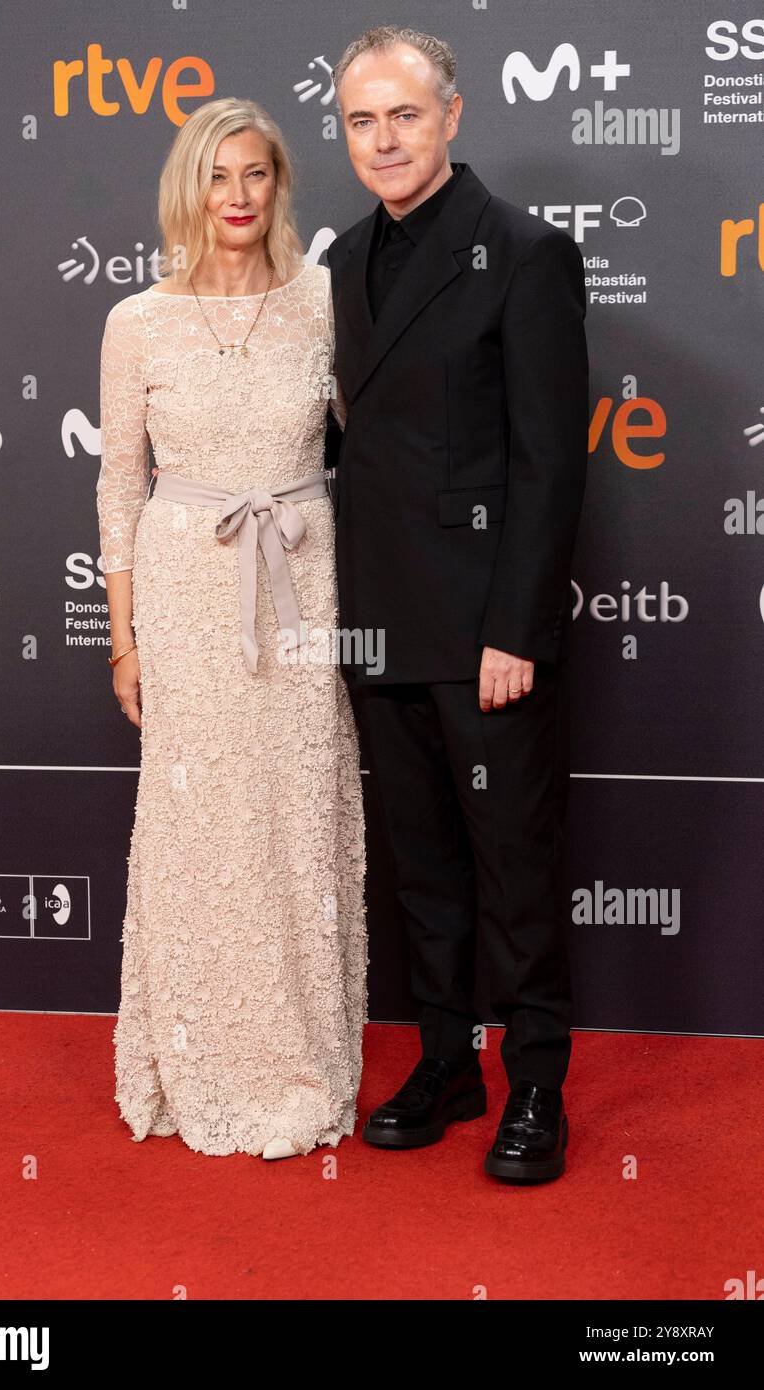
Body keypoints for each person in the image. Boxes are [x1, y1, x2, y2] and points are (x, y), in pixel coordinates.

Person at [327, 27, 589, 1183]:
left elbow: (547, 462)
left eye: (403, 116)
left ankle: (535, 1080)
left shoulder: (523, 253)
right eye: (358, 121)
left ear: (451, 117)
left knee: (510, 859)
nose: (381, 140)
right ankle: (447, 1060)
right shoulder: (335, 260)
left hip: (480, 626)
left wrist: (512, 630)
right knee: (420, 860)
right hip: (376, 611)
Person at [96, 97, 366, 1160]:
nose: (239, 197)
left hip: (303, 578)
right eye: (218, 177)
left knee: (295, 810)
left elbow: (380, 439)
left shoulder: (323, 302)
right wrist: (123, 638)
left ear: (279, 186)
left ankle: (299, 1055)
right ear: (188, 190)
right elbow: (120, 486)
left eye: (256, 175)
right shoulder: (137, 320)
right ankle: (199, 1052)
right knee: (199, 821)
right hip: (186, 591)